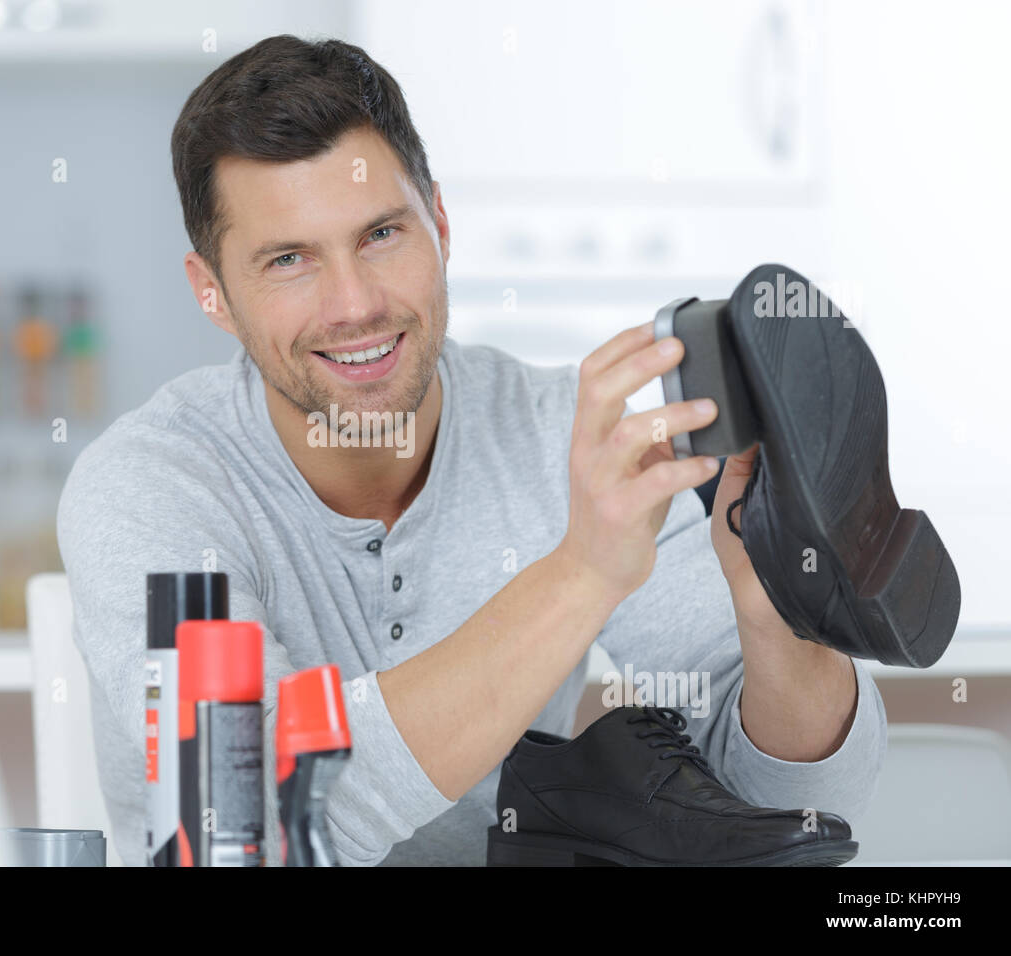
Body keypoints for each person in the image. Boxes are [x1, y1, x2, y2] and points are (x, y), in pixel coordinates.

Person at [56, 34, 886, 866]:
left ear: (441, 225)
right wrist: (581, 575)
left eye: (381, 234)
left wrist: (777, 612)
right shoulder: (151, 490)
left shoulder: (567, 435)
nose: (355, 305)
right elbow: (256, 827)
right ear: (214, 295)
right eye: (288, 260)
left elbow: (807, 818)